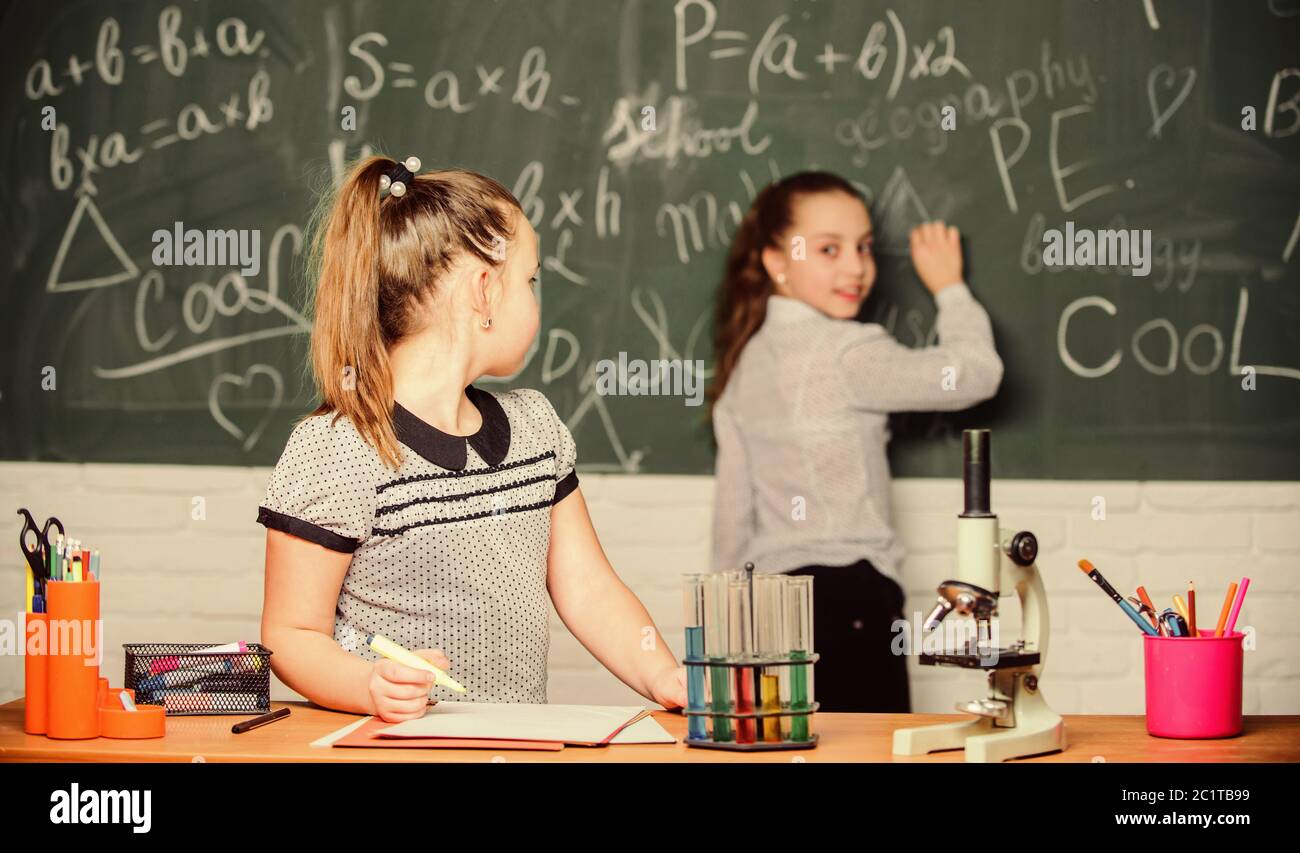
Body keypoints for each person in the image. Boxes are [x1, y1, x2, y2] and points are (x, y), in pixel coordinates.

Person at [259, 155, 687, 722]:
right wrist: (367, 686)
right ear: (484, 291)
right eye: (529, 281)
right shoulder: (338, 448)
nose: (535, 298)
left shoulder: (537, 428)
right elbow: (290, 632)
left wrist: (664, 674)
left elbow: (587, 588)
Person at [708, 171, 1004, 712]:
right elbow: (976, 373)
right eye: (828, 249)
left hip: (766, 614)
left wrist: (726, 640)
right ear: (776, 262)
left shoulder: (743, 365)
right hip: (851, 603)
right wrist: (950, 287)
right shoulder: (847, 352)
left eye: (864, 247)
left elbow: (731, 525)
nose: (856, 267)